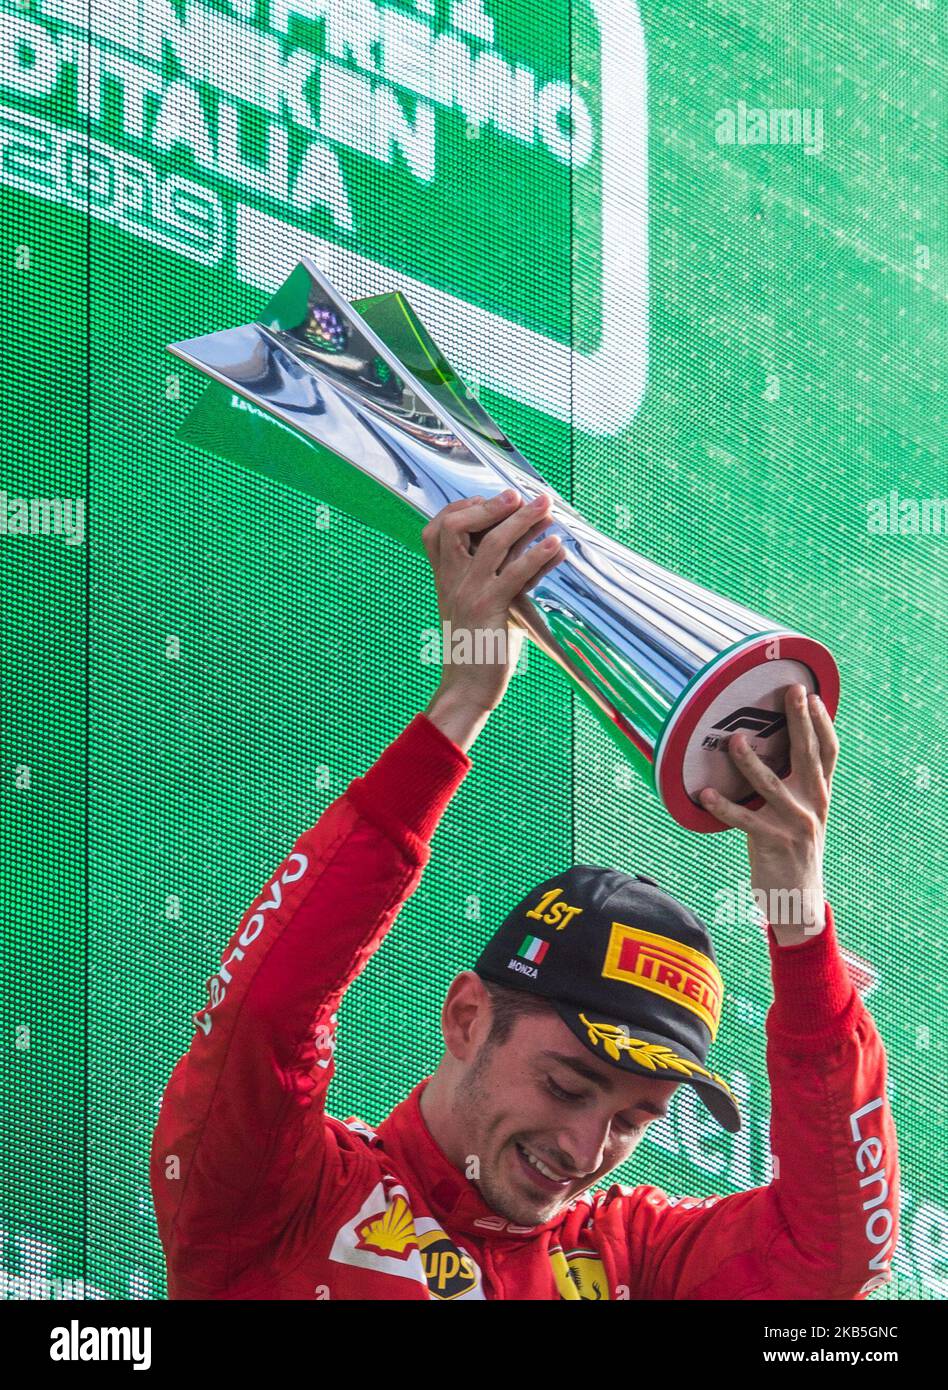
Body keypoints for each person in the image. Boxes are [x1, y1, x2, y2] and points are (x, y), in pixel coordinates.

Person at [150, 490, 899, 1300]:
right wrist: (459, 707)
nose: (584, 1150)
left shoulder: (629, 1264)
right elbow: (265, 1015)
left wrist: (796, 915)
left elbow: (838, 1255)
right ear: (467, 1016)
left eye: (632, 1122)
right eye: (568, 1086)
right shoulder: (289, 1194)